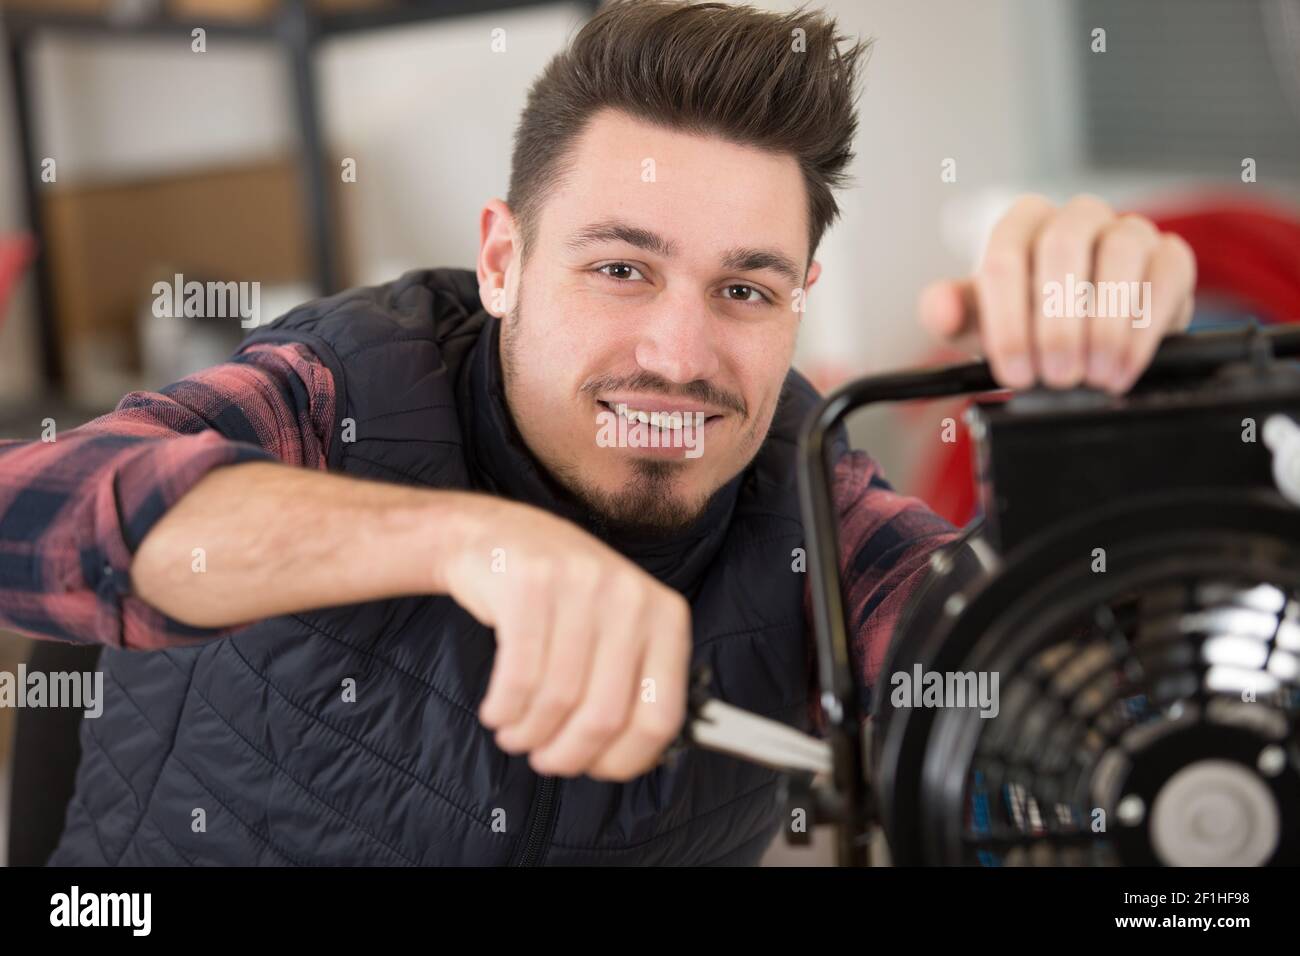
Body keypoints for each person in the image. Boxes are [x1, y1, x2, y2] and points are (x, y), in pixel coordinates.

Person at [0, 0, 1195, 865]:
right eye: (621, 266)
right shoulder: (345, 381)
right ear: (505, 261)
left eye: (744, 289)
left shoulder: (815, 514)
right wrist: (467, 542)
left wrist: (1115, 435)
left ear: (797, 302)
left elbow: (1070, 735)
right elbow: (28, 513)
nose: (677, 354)